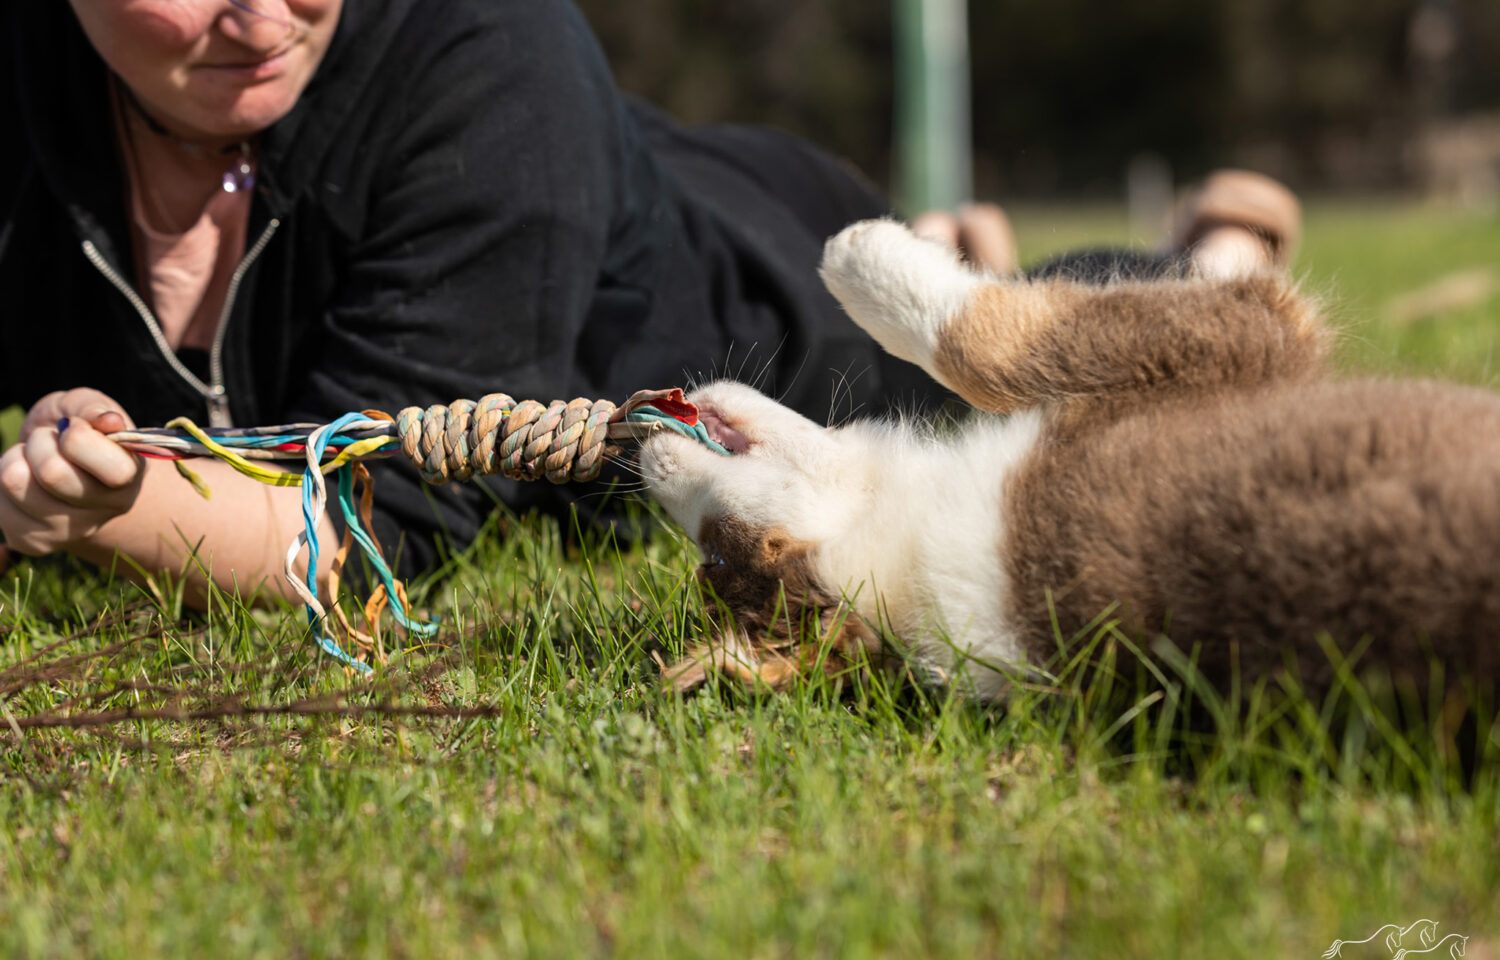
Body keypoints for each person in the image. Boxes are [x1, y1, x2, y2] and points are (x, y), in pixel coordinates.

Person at [1, 0, 1300, 606]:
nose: (263, 10)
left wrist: (119, 506)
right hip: (621, 176)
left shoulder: (485, 66)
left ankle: (1216, 246)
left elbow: (354, 536)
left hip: (769, 302)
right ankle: (961, 238)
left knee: (1044, 358)